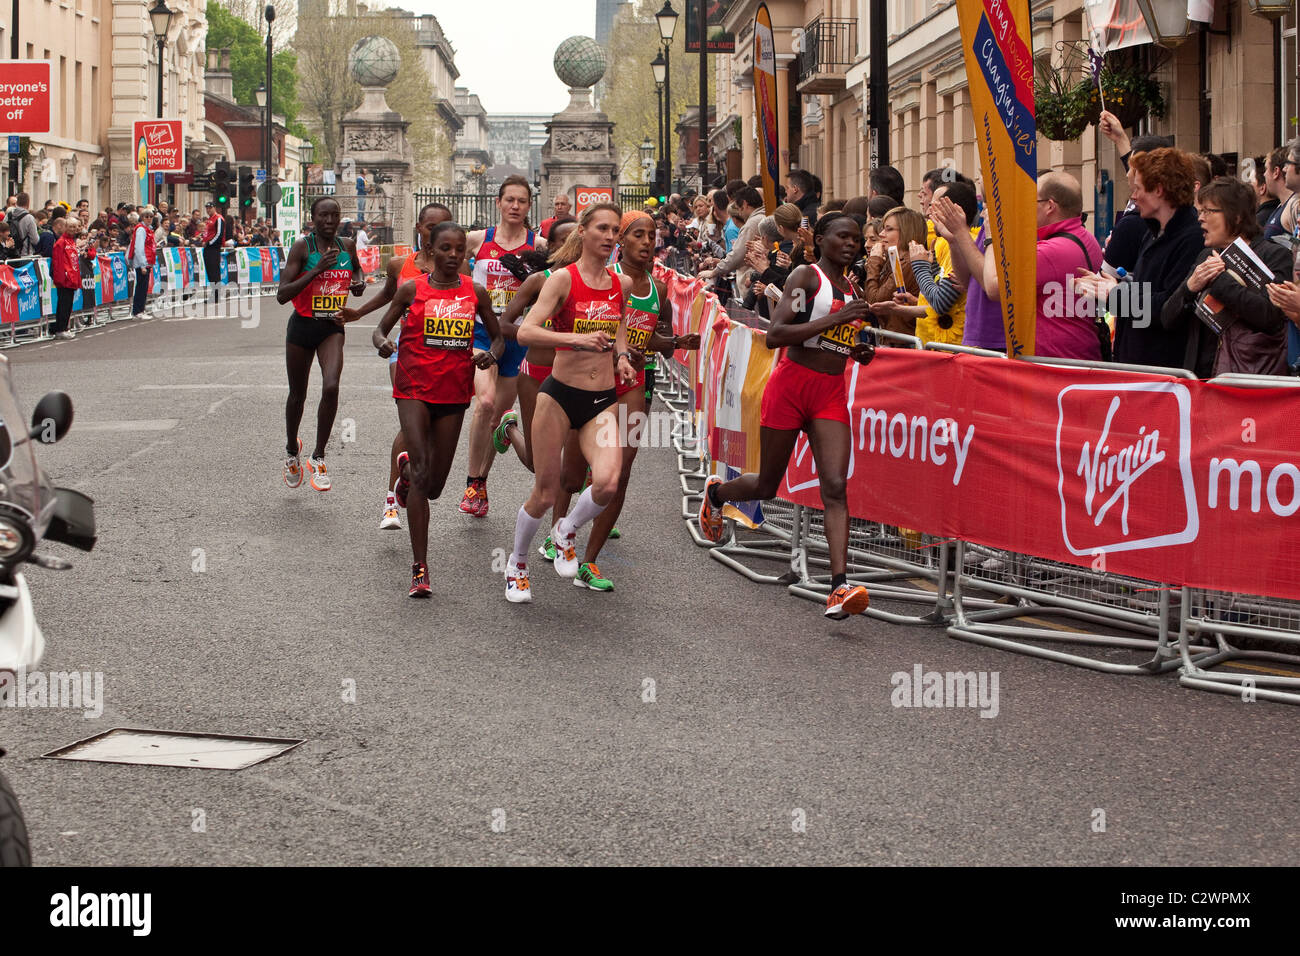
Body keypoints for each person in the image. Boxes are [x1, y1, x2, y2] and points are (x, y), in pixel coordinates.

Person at [697, 214, 874, 620]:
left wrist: (857, 349)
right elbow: (776, 334)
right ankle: (717, 495)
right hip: (791, 388)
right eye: (842, 237)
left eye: (856, 238)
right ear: (822, 240)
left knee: (834, 486)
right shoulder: (805, 278)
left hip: (830, 393)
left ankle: (838, 586)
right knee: (766, 485)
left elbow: (837, 341)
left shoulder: (853, 287)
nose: (851, 244)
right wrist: (836, 320)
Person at [502, 202, 635, 603]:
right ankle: (517, 564)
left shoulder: (620, 283)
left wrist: (623, 357)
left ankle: (565, 530)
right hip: (559, 396)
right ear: (584, 231)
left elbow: (620, 324)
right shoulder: (562, 279)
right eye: (603, 229)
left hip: (603, 399)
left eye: (616, 230)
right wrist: (574, 340)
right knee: (545, 492)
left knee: (608, 482)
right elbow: (524, 332)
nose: (611, 237)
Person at [371, 220, 504, 597]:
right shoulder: (413, 289)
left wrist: (490, 355)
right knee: (423, 465)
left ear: (466, 253)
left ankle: (408, 474)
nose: (452, 255)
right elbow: (380, 329)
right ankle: (420, 568)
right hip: (413, 388)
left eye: (459, 250)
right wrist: (383, 343)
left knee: (434, 487)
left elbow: (497, 338)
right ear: (431, 249)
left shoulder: (475, 292)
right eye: (444, 248)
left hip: (453, 392)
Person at [571, 211, 697, 591]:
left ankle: (588, 561)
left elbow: (661, 341)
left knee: (622, 470)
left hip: (638, 382)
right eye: (637, 235)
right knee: (568, 474)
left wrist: (674, 343)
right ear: (621, 240)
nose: (646, 242)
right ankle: (561, 528)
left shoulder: (660, 290)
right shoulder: (606, 282)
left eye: (652, 236)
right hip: (590, 379)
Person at [342, 202, 453, 530]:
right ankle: (391, 502)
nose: (434, 233)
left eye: (443, 226)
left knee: (429, 432)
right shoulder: (398, 264)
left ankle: (406, 479)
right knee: (411, 427)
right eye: (430, 226)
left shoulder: (456, 267)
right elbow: (390, 298)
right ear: (419, 228)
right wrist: (360, 314)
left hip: (445, 355)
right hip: (406, 352)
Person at [461, 174, 546, 518]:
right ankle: (470, 480)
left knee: (497, 415)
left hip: (517, 337)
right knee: (484, 402)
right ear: (498, 202)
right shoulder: (477, 240)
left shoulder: (538, 245)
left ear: (528, 206)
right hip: (482, 332)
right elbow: (445, 262)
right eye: (509, 200)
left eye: (521, 201)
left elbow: (553, 285)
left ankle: (481, 482)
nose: (514, 206)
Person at [1079, 148, 1205, 370]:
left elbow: (1168, 306)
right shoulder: (1153, 231)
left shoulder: (1192, 238)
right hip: (1137, 361)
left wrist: (1114, 294)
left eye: (1138, 189)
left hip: (1163, 369)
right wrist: (1111, 287)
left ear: (1158, 190)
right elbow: (1145, 290)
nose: (1133, 196)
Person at [275, 196, 366, 492]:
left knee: (331, 386)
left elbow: (357, 270)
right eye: (323, 216)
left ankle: (319, 456)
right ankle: (292, 450)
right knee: (297, 395)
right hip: (302, 326)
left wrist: (359, 281)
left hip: (332, 326)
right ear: (312, 219)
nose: (329, 221)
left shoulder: (347, 245)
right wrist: (315, 270)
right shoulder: (303, 247)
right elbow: (282, 294)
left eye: (334, 216)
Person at [1161, 176, 1292, 376]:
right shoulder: (1206, 255)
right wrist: (1189, 287)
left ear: (1236, 216)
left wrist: (1220, 281)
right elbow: (1168, 318)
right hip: (1201, 379)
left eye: (1208, 211)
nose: (1200, 218)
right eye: (1200, 211)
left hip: (1247, 381)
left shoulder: (1275, 256)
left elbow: (1270, 317)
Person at [493, 216, 578, 478]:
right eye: (566, 241)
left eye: (578, 240)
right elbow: (503, 325)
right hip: (536, 374)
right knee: (536, 463)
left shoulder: (595, 282)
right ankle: (509, 428)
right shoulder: (539, 281)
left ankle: (595, 516)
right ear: (551, 245)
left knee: (578, 457)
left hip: (576, 374)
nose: (575, 247)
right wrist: (538, 335)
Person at [49, 219, 83, 339]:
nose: (73, 230)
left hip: (72, 277)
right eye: (70, 227)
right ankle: (60, 329)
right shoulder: (61, 242)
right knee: (63, 304)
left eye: (75, 227)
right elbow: (57, 262)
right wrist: (61, 279)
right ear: (65, 227)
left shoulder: (71, 241)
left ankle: (64, 327)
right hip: (64, 279)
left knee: (68, 304)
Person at [127, 211, 155, 320]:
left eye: (151, 217)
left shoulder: (148, 229)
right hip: (142, 262)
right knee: (141, 287)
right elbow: (138, 248)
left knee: (144, 287)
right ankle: (138, 310)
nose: (149, 219)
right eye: (146, 217)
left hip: (147, 261)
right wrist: (143, 265)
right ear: (142, 218)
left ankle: (141, 309)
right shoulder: (141, 230)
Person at [200, 201, 226, 303]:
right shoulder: (209, 220)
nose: (208, 210)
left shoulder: (218, 218)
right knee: (210, 272)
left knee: (214, 272)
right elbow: (208, 233)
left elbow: (219, 234)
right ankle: (214, 294)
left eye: (210, 208)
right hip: (208, 248)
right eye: (207, 208)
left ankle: (216, 296)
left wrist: (209, 243)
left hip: (213, 248)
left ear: (214, 208)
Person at [6, 192, 38, 257]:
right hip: (25, 255)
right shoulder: (29, 218)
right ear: (28, 203)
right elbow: (35, 240)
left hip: (9, 254)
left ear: (17, 202)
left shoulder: (9, 215)